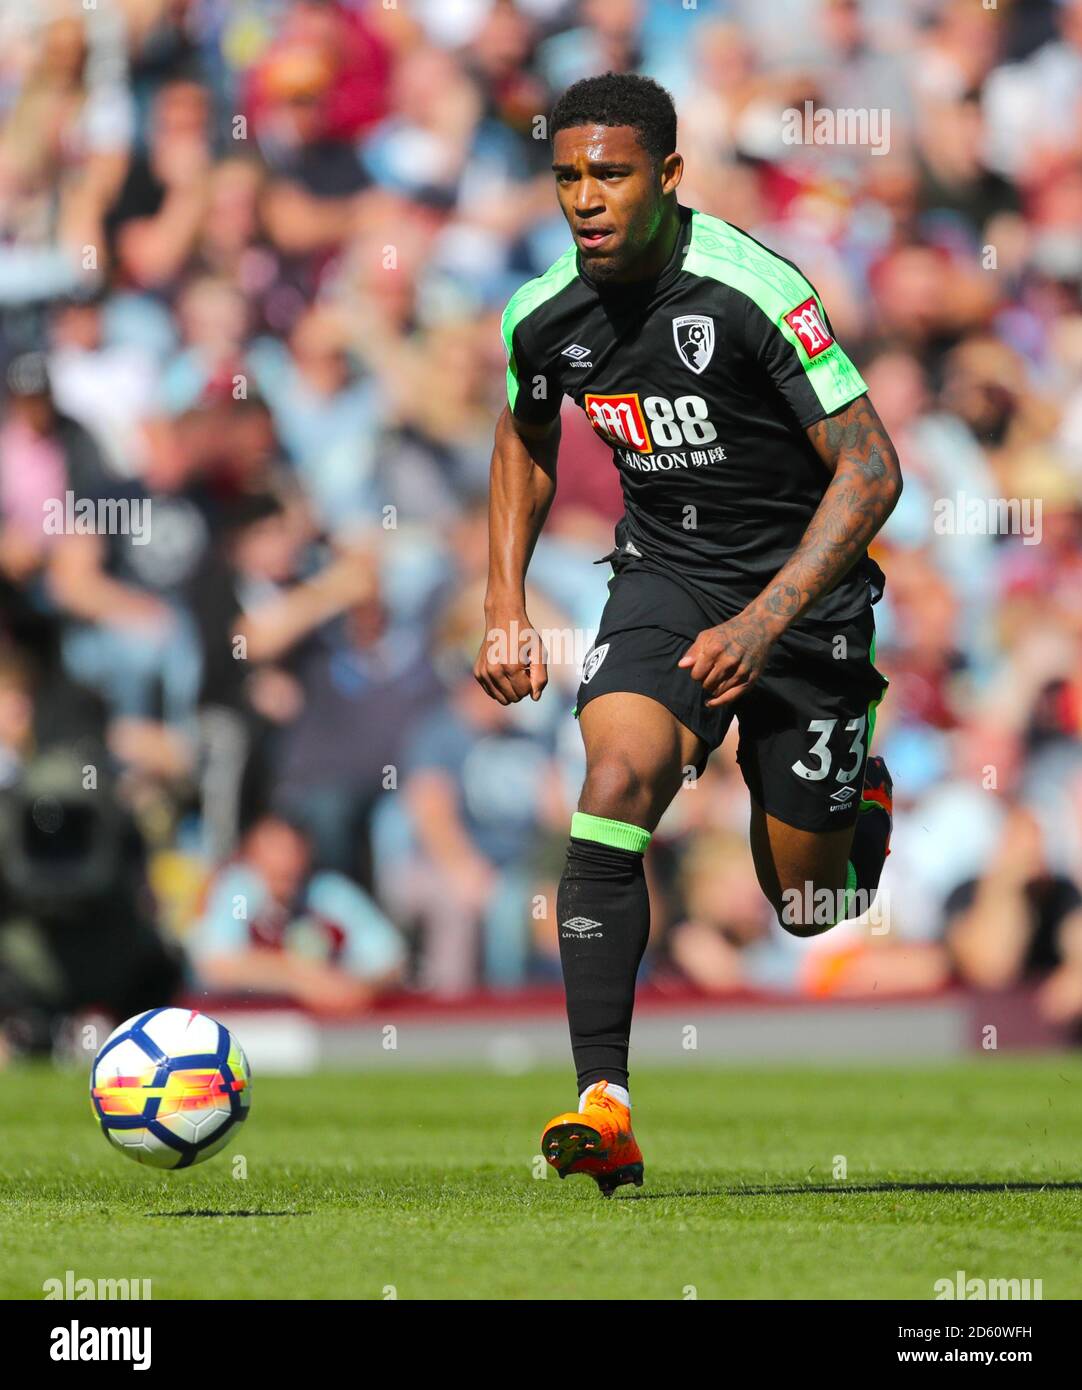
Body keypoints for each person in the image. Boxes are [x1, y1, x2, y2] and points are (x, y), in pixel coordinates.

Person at [475, 73, 902, 1195]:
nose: (584, 199)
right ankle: (602, 1102)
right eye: (566, 176)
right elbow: (522, 436)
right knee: (612, 774)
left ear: (667, 175)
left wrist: (768, 622)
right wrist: (503, 604)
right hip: (664, 578)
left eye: (608, 174)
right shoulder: (541, 315)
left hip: (801, 606)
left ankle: (857, 801)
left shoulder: (752, 289)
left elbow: (870, 468)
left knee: (809, 904)